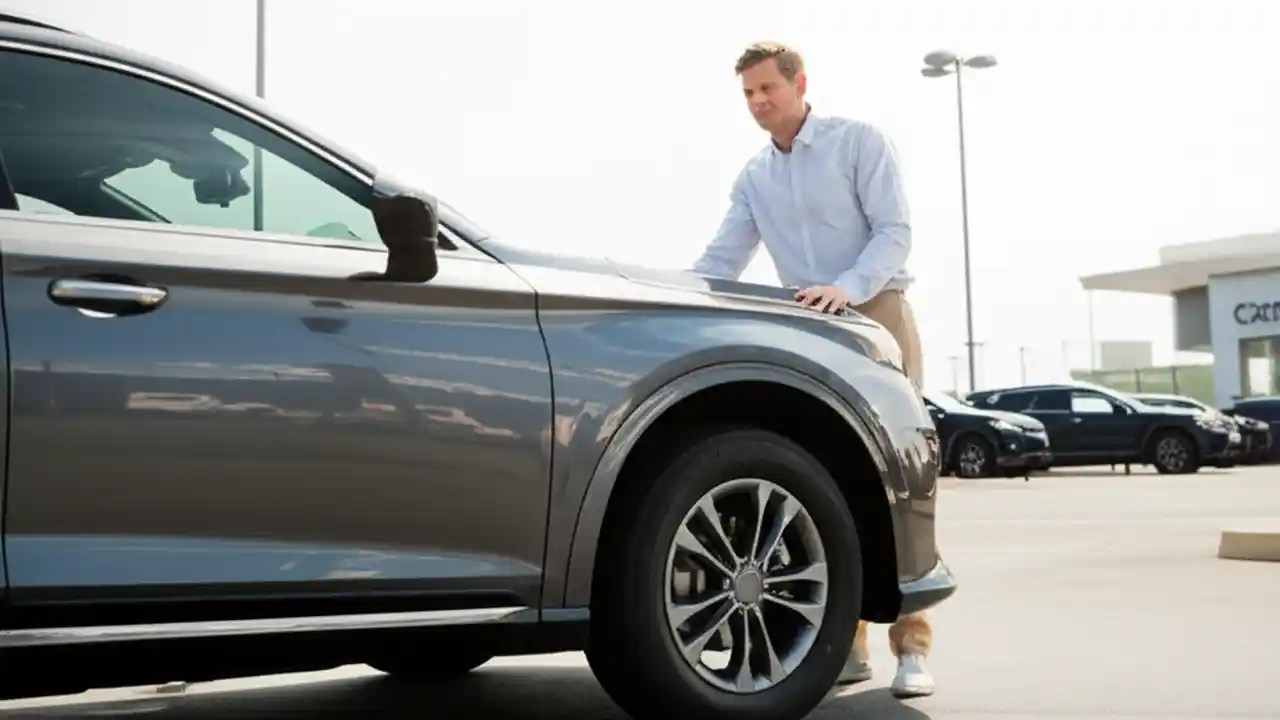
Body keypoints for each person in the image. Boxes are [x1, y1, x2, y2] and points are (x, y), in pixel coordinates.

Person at [690, 40, 934, 699]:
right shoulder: (754, 177)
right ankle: (845, 645)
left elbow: (895, 231)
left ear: (801, 85)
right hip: (806, 328)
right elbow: (722, 258)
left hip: (874, 311)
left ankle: (912, 648)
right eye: (747, 94)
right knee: (825, 480)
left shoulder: (858, 143)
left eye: (767, 89)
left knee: (897, 485)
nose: (757, 103)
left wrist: (846, 289)